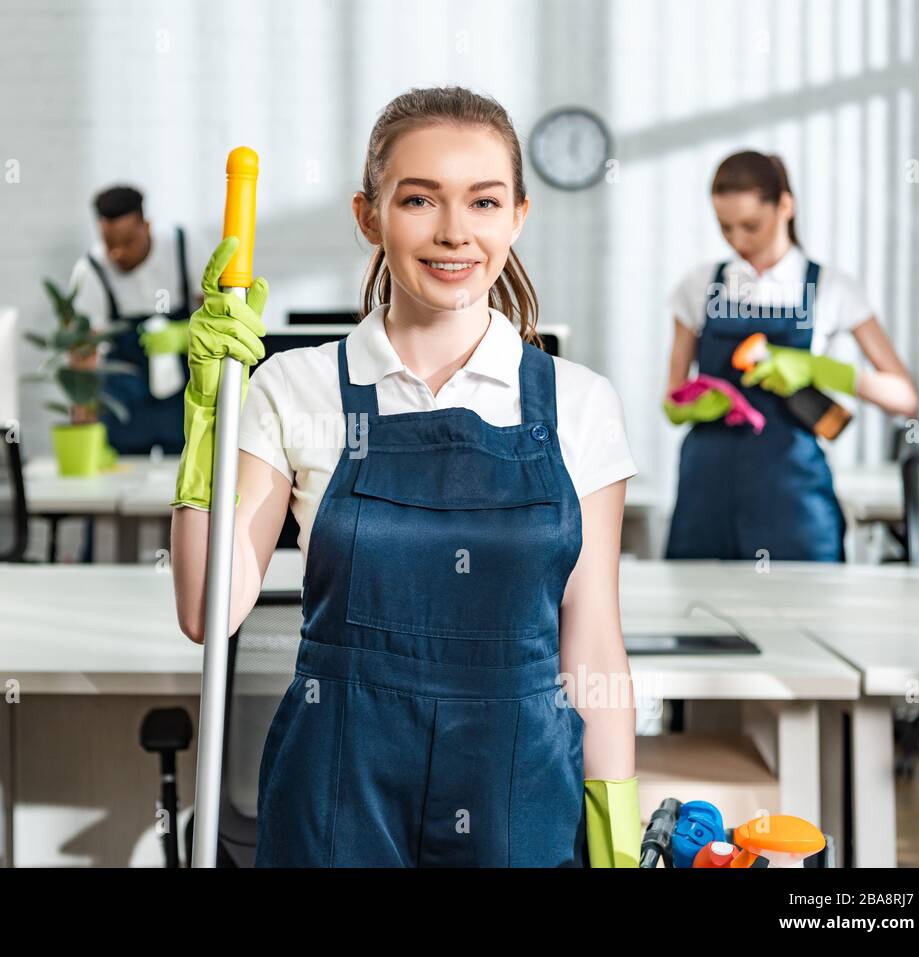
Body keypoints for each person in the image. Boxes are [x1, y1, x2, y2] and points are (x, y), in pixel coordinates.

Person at [171, 87, 640, 867]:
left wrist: (617, 830)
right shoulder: (295, 387)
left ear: (517, 216)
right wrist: (207, 422)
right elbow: (205, 608)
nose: (455, 231)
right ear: (368, 215)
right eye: (419, 199)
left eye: (484, 202)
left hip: (518, 795)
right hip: (335, 796)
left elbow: (590, 639)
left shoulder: (578, 402)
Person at [664, 152, 919, 562]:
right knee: (699, 619)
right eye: (725, 227)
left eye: (751, 225)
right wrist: (694, 403)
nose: (738, 240)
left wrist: (818, 369)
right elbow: (672, 396)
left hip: (794, 502)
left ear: (785, 206)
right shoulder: (699, 287)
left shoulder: (832, 288)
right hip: (706, 498)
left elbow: (904, 397)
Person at [68, 185, 204, 455]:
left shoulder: (184, 247)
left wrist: (185, 334)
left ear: (147, 226)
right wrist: (83, 418)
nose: (118, 253)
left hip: (186, 397)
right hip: (125, 398)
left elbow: (221, 312)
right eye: (110, 245)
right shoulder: (90, 270)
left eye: (128, 242)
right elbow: (83, 346)